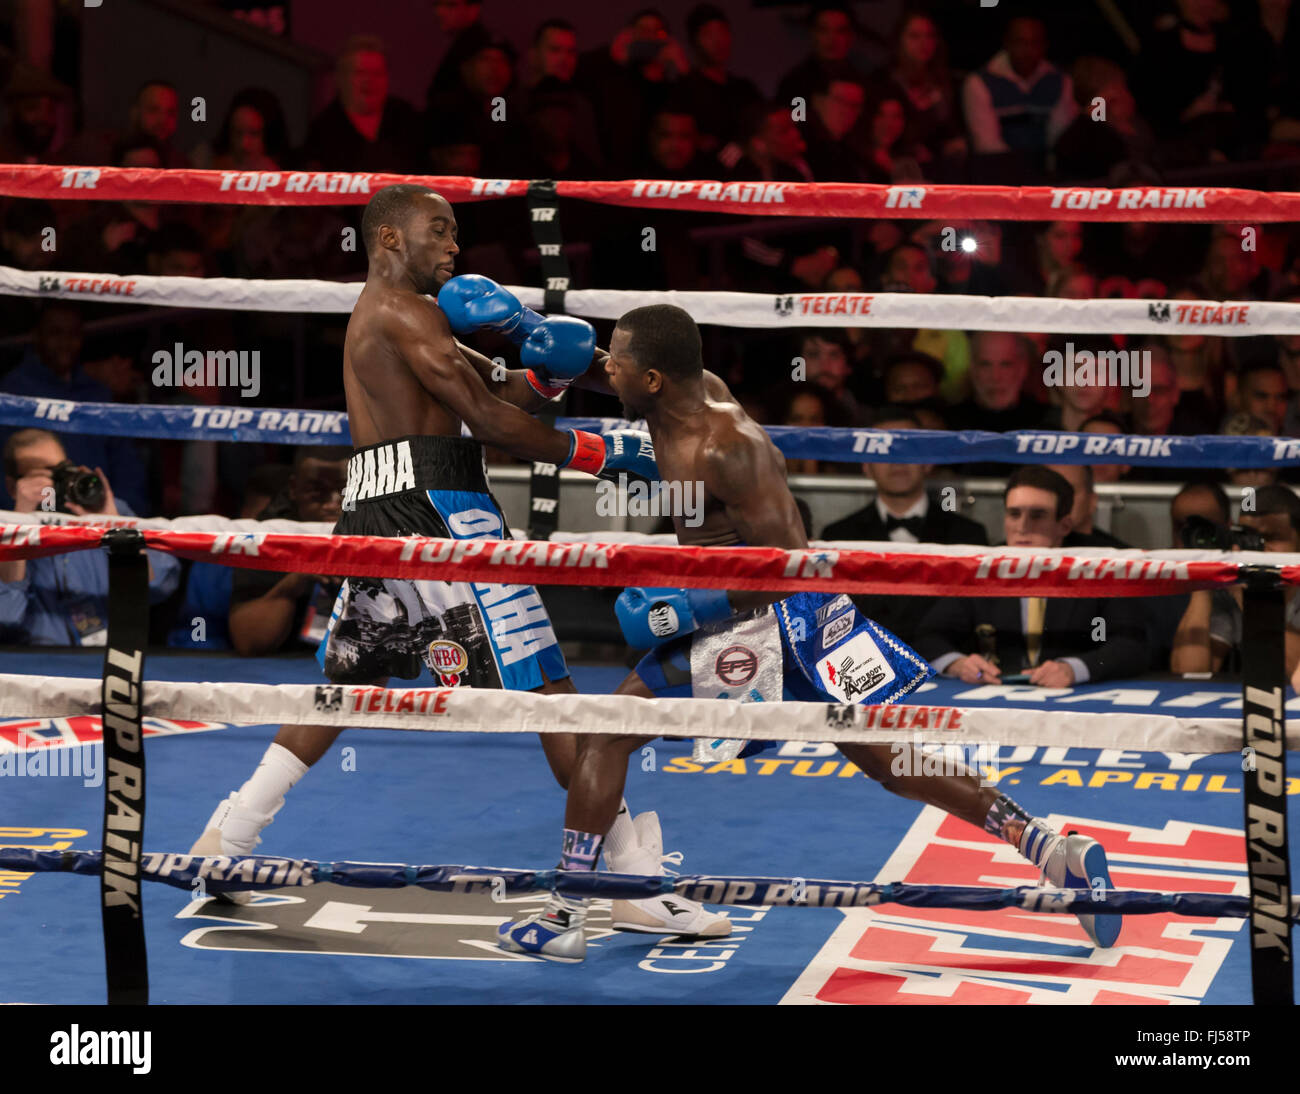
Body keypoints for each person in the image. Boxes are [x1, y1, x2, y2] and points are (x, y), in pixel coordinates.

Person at [498, 305, 1121, 961]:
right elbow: (598, 365)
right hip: (800, 615)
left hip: (766, 615)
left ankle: (565, 912)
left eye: (616, 361)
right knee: (892, 764)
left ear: (652, 378)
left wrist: (682, 609)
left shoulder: (724, 448)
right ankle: (1051, 850)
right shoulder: (678, 392)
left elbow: (786, 567)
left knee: (607, 730)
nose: (605, 367)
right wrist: (521, 330)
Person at [189, 184, 725, 939]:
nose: (452, 246)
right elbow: (489, 420)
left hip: (384, 508)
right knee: (551, 692)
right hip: (440, 513)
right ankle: (627, 877)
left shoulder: (414, 317)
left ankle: (228, 840)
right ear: (388, 241)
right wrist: (608, 453)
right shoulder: (403, 314)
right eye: (437, 231)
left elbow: (503, 390)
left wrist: (548, 370)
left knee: (346, 684)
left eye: (455, 233)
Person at [915, 466, 1150, 686]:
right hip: (995, 700)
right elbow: (928, 637)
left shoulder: (1098, 568)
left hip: (1074, 706)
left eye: (1037, 515)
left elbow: (1132, 646)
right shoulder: (981, 568)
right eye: (1014, 514)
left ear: (1064, 526)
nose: (1022, 527)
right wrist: (958, 664)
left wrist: (1073, 669)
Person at [821, 407, 988, 646]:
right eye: (884, 449)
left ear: (928, 461)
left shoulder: (968, 534)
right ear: (866, 466)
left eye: (907, 447)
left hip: (953, 671)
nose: (897, 460)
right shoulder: (837, 536)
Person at [0, 430, 180, 645]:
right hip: (39, 666)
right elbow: (7, 617)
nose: (57, 482)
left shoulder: (108, 513)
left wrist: (115, 525)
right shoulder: (7, 527)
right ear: (13, 487)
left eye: (62, 470)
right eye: (44, 475)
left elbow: (159, 587)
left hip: (110, 660)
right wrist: (20, 525)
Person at [226, 447, 350, 657]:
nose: (331, 503)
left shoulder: (385, 527)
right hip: (279, 667)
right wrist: (294, 583)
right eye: (317, 490)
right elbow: (248, 641)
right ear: (294, 488)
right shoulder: (266, 536)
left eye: (344, 490)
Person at [1171, 484, 1300, 675]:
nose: (1259, 548)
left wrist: (1251, 601)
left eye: (1271, 537)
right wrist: (1205, 583)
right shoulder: (1231, 594)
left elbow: (1293, 673)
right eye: (1248, 537)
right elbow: (1190, 672)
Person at [962, 16, 1075, 175]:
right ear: (1006, 43)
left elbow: (1060, 138)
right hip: (999, 176)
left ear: (1045, 46)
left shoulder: (1059, 81)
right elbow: (988, 145)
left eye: (1034, 43)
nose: (1028, 50)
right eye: (1020, 42)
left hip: (1046, 176)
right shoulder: (980, 82)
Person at [299, 36, 424, 173]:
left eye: (377, 73)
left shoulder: (406, 118)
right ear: (341, 78)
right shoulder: (323, 130)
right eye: (361, 73)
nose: (369, 81)